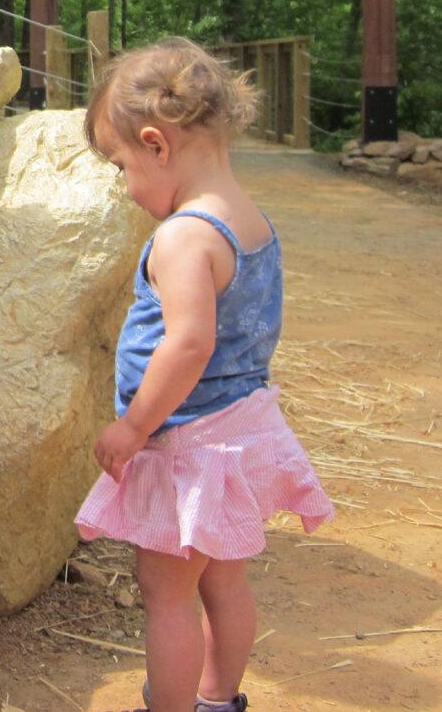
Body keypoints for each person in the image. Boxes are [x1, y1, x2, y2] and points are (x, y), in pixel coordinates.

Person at [73, 37, 334, 712]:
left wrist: (134, 425)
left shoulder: (183, 235)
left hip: (189, 443)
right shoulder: (249, 220)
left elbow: (187, 344)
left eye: (120, 165)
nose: (126, 187)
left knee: (167, 596)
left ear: (157, 144)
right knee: (224, 582)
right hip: (243, 428)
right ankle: (218, 699)